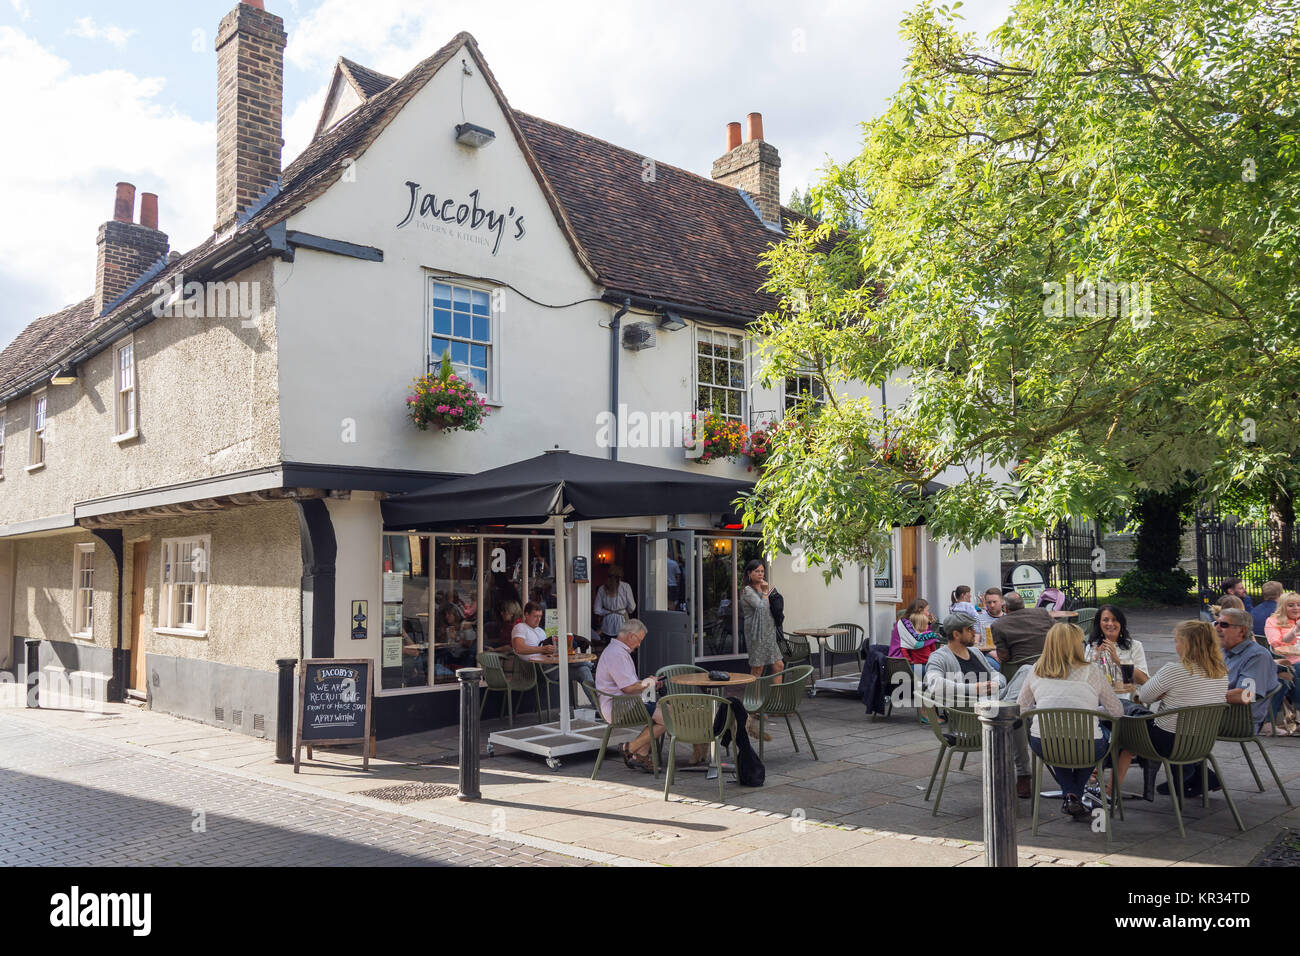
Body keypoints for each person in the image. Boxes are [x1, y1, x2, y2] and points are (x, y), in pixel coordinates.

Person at [1017, 623, 1123, 820]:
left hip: (1045, 744)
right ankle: (1074, 793)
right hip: (1087, 746)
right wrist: (1091, 712)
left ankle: (1071, 795)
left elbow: (1021, 708)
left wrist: (1045, 711)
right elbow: (1116, 712)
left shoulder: (1036, 669)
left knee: (1059, 744)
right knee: (1091, 741)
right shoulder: (1092, 671)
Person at [1115, 620, 1230, 799]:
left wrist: (1162, 692)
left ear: (1187, 644)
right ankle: (1197, 776)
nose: (1176, 646)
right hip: (1202, 740)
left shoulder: (1174, 670)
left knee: (1123, 721)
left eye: (1177, 641)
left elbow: (1144, 696)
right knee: (1148, 719)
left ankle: (1107, 787)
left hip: (1168, 740)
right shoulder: (1221, 673)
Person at [593, 619, 664, 772]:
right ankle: (629, 748)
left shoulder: (618, 651)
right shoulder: (617, 654)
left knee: (666, 710)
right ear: (631, 636)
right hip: (619, 707)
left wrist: (648, 682)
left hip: (624, 703)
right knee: (667, 718)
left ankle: (641, 755)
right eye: (639, 640)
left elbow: (629, 684)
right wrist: (648, 683)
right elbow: (628, 688)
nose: (639, 645)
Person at [1218, 607, 1281, 733]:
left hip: (1237, 721)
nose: (1217, 628)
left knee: (1179, 720)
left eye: (1224, 625)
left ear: (1242, 630)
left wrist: (1202, 696)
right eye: (1216, 623)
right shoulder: (1222, 651)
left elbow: (1244, 695)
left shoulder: (1257, 656)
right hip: (1216, 712)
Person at [924, 612, 1006, 705]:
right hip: (970, 708)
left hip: (995, 699)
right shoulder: (938, 657)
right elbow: (934, 684)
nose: (974, 633)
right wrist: (974, 689)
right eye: (969, 629)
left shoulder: (975, 652)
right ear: (956, 634)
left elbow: (996, 674)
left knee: (1021, 674)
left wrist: (996, 684)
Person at [512, 601, 594, 691]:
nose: (538, 619)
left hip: (551, 665)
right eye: (535, 616)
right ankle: (590, 664)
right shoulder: (520, 627)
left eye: (540, 616)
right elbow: (518, 648)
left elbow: (546, 652)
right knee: (583, 667)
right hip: (536, 670)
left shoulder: (541, 631)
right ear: (526, 615)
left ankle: (597, 700)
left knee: (584, 670)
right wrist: (543, 649)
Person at [1083, 605, 1148, 703]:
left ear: (1121, 623)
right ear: (1099, 624)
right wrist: (1096, 657)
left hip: (1128, 700)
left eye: (1115, 620)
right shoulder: (1092, 647)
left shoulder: (1135, 646)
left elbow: (1144, 680)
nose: (1110, 624)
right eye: (1105, 620)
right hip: (1098, 699)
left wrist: (1117, 660)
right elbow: (1084, 680)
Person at [740, 559, 784, 680]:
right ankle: (753, 693)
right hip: (756, 633)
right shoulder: (747, 590)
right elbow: (762, 608)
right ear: (749, 573)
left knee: (779, 665)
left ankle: (777, 693)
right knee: (757, 668)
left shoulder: (764, 587)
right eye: (757, 571)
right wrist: (765, 592)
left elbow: (774, 606)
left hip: (769, 632)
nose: (760, 574)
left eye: (762, 571)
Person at [991, 591, 1055, 668]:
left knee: (988, 662)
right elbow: (1059, 633)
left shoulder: (998, 625)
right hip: (1049, 665)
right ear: (1023, 604)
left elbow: (1004, 657)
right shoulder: (1042, 612)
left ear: (1005, 608)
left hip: (1018, 669)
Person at [593, 566, 637, 641]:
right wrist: (623, 611)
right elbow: (632, 608)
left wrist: (607, 612)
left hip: (607, 625)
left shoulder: (602, 588)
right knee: (621, 647)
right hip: (622, 624)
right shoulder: (626, 587)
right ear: (621, 576)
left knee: (609, 646)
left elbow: (596, 610)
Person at [1265, 591, 1300, 664]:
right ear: (1282, 608)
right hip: (1290, 660)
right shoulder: (1272, 621)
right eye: (1291, 605)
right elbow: (1276, 644)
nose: (1296, 608)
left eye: (1299, 605)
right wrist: (1295, 630)